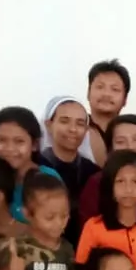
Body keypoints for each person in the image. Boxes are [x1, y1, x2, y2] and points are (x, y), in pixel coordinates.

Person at [37, 97, 101, 242]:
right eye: (64, 121)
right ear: (49, 125)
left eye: (80, 123)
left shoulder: (93, 172)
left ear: (86, 130)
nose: (73, 129)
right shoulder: (35, 167)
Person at [0, 107, 61, 222]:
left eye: (19, 141)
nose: (10, 148)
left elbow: (54, 225)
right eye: (2, 140)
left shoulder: (47, 178)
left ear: (34, 144)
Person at [84, 58, 131, 165]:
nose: (106, 94)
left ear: (125, 99)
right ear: (88, 93)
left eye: (115, 89)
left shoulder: (132, 136)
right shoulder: (75, 129)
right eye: (100, 87)